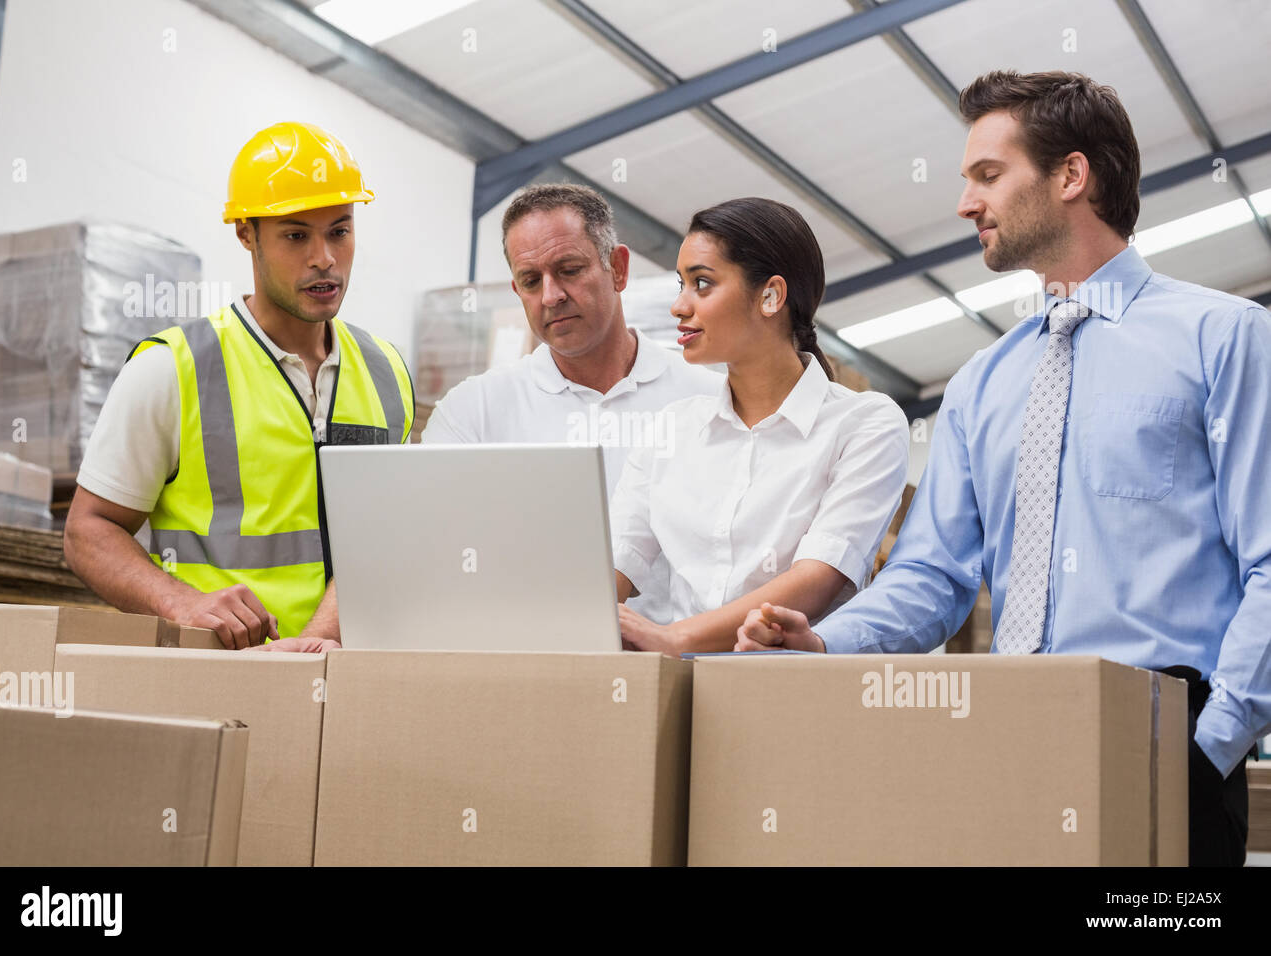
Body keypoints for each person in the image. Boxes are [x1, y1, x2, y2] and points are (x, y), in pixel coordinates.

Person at [737, 71, 1271, 867]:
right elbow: (933, 575)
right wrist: (825, 645)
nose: (964, 203)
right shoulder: (981, 383)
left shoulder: (1226, 340)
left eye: (988, 175)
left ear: (1071, 176)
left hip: (1164, 738)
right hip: (1007, 741)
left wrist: (1208, 747)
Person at [64, 121, 414, 650]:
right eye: (297, 235)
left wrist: (319, 647)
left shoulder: (387, 373)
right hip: (218, 676)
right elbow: (87, 532)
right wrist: (184, 604)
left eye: (339, 230)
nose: (324, 258)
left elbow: (390, 534)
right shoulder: (172, 369)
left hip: (348, 679)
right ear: (246, 234)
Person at [611, 197, 909, 655]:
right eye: (681, 285)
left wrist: (674, 638)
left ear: (771, 295)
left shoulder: (865, 424)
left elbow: (817, 580)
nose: (678, 306)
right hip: (679, 694)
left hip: (791, 695)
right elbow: (612, 567)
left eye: (702, 284)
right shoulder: (671, 428)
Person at [421, 183, 723, 622]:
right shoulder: (473, 411)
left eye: (569, 269)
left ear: (618, 268)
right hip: (525, 656)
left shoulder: (706, 401)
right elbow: (421, 538)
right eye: (531, 281)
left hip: (674, 667)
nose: (551, 296)